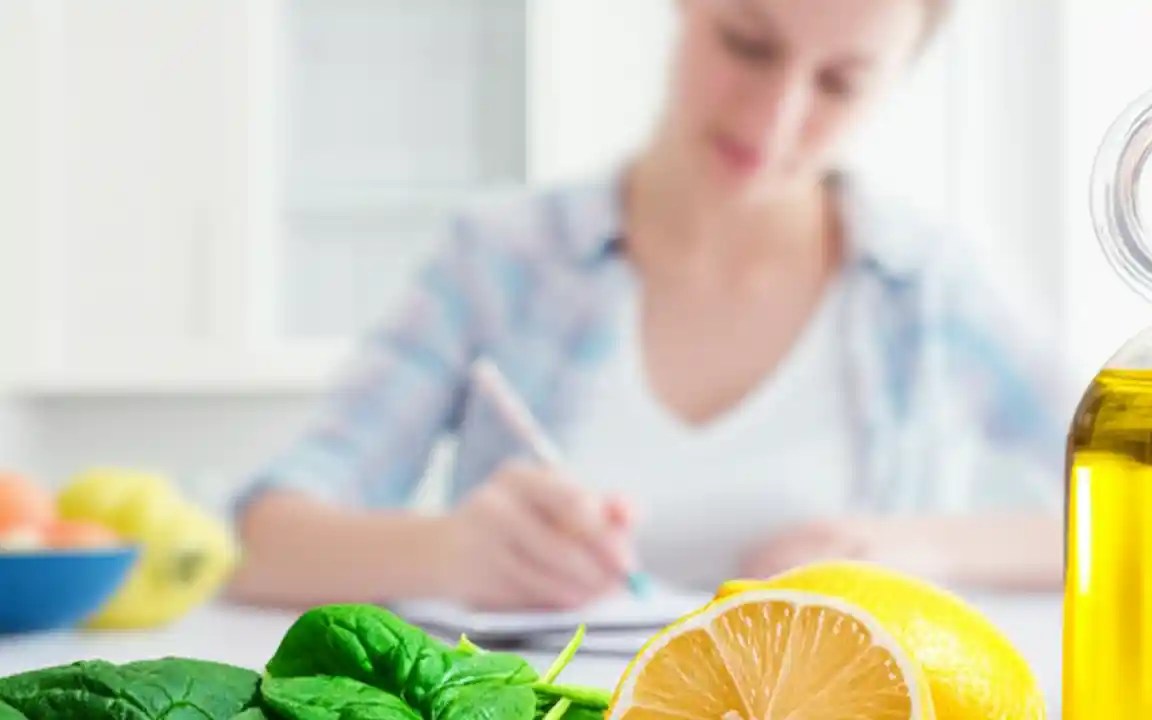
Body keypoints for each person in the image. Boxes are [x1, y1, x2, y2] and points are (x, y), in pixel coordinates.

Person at [230, 0, 1066, 611]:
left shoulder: (927, 285)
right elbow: (257, 541)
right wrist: (448, 552)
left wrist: (916, 547)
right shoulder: (500, 259)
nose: (775, 120)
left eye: (840, 84)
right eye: (746, 44)